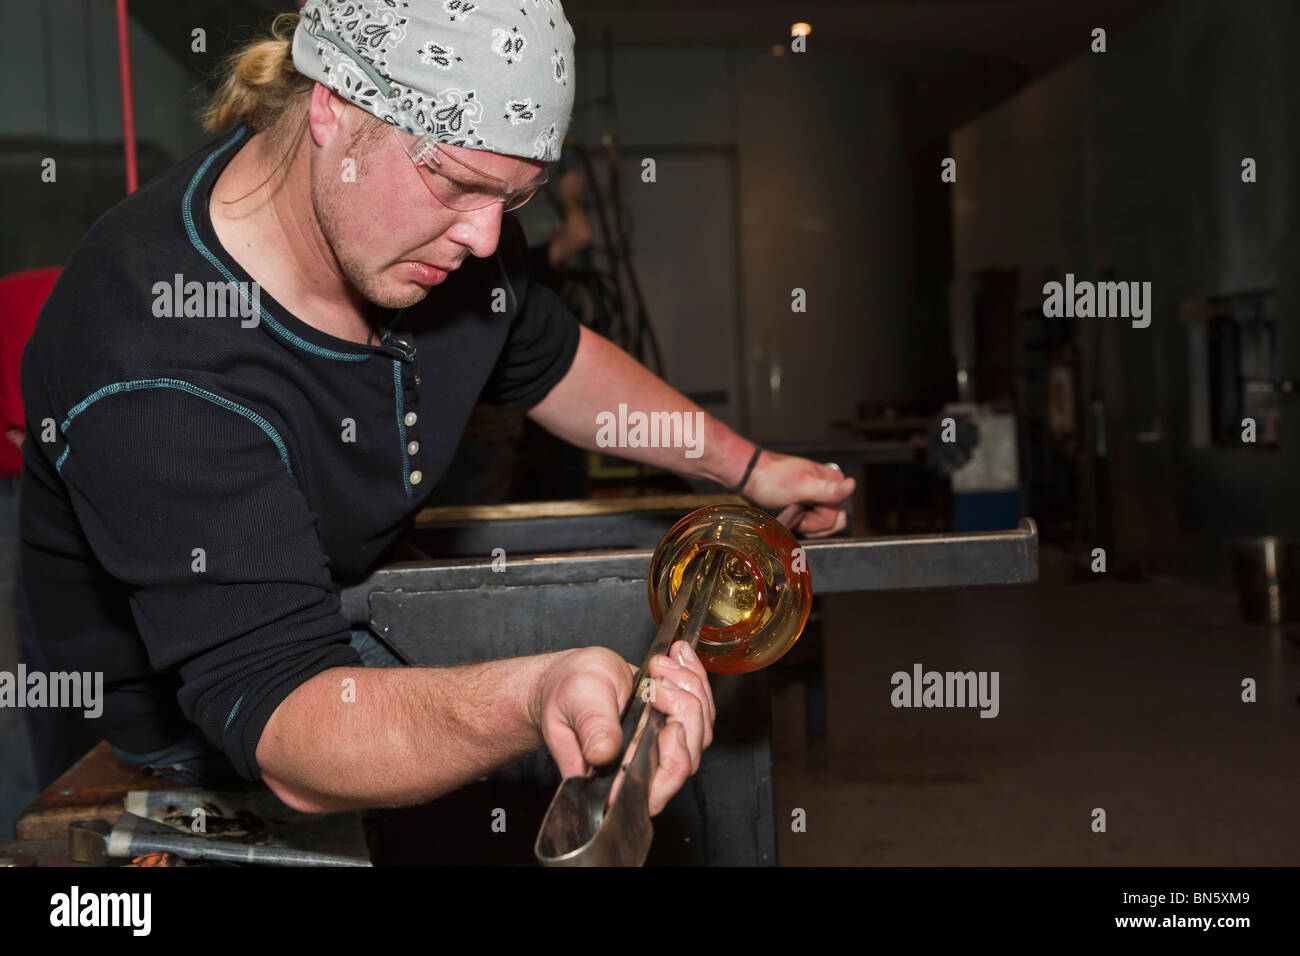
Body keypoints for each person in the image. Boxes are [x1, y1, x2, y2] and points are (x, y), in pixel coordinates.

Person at [19, 0, 853, 817]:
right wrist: (534, 697)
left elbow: (554, 363)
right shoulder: (147, 351)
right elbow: (287, 720)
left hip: (348, 619)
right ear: (333, 110)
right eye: (456, 182)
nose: (487, 240)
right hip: (195, 744)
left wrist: (750, 467)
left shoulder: (443, 236)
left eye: (515, 197)